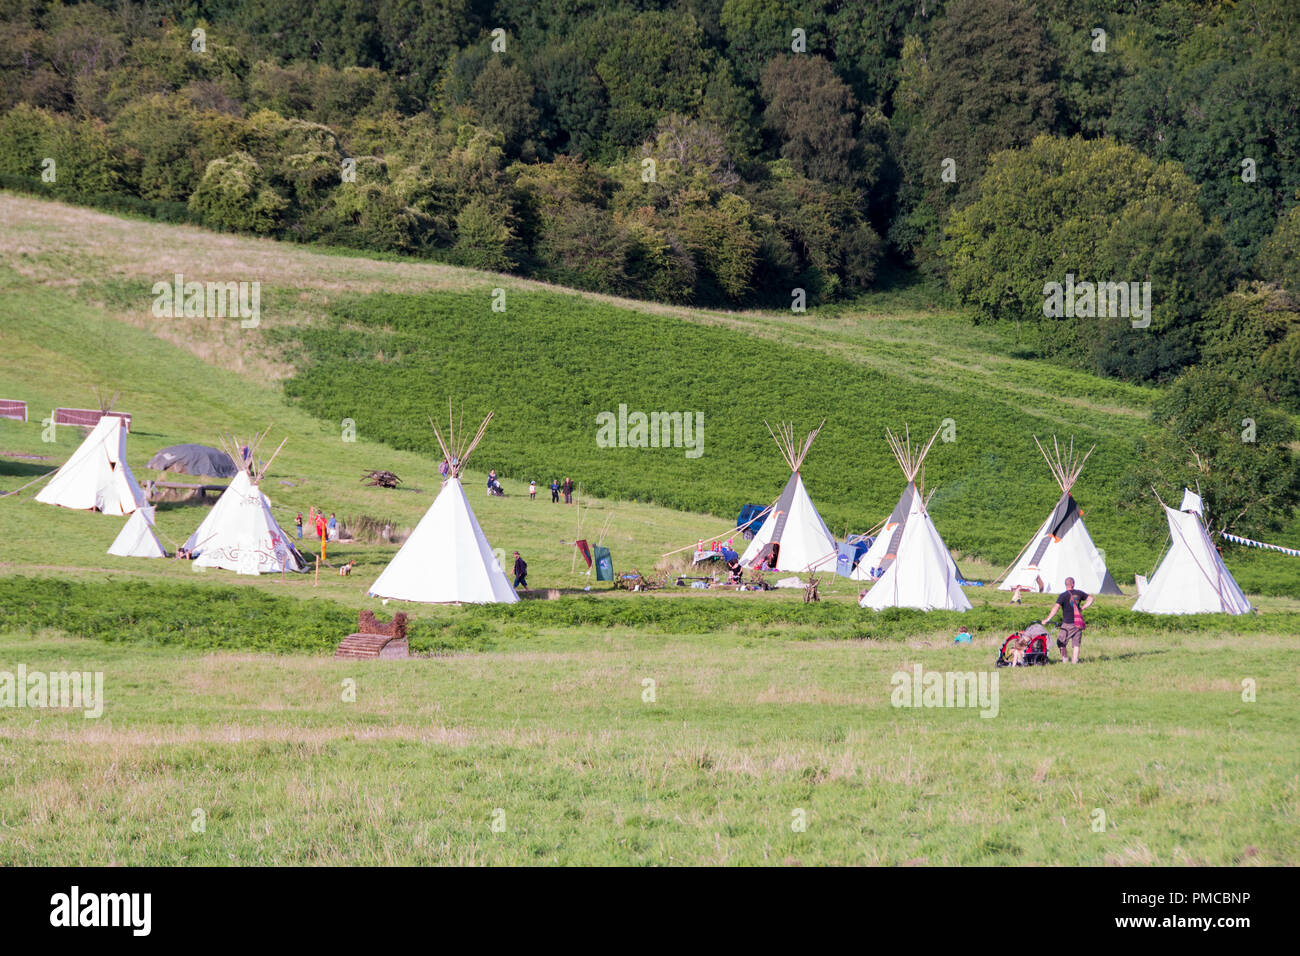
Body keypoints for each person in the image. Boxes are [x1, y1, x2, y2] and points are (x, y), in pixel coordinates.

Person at [1042, 576, 1093, 664]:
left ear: (1066, 585)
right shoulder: (1079, 593)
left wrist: (1048, 619)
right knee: (1076, 644)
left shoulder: (1063, 595)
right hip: (1078, 622)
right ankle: (1074, 661)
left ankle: (1065, 660)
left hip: (1067, 623)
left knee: (1061, 642)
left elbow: (1056, 608)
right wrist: (1083, 607)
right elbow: (1091, 599)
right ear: (1073, 584)